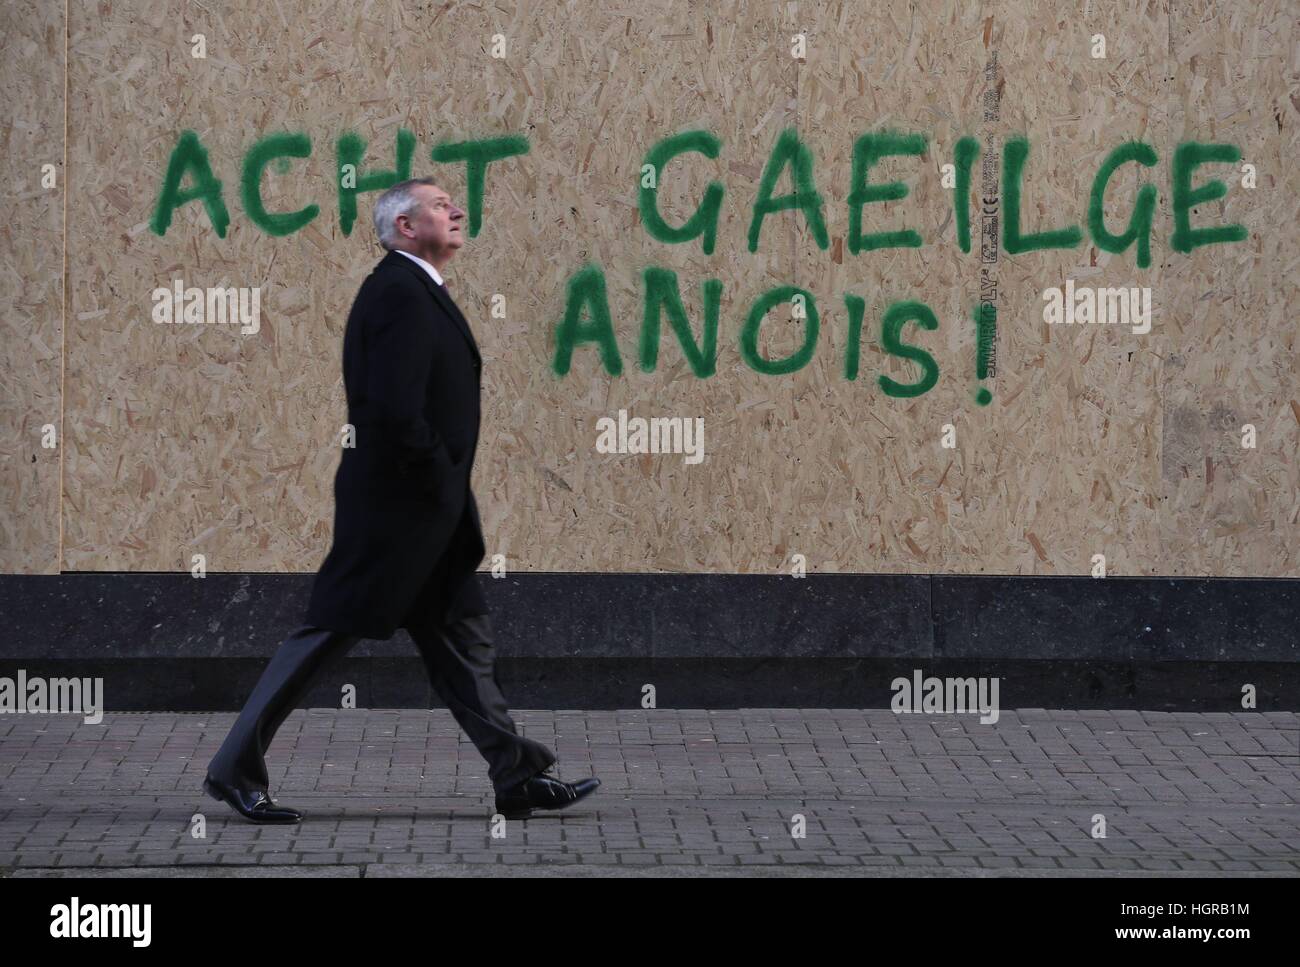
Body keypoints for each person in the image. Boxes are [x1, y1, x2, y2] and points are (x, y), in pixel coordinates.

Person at [203, 178, 599, 823]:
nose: (458, 211)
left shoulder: (416, 291)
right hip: (396, 516)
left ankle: (517, 775)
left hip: (429, 517)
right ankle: (233, 770)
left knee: (463, 646)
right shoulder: (398, 294)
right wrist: (439, 476)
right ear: (407, 227)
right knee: (324, 637)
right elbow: (391, 408)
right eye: (443, 206)